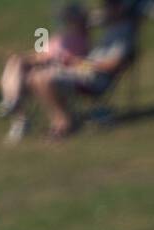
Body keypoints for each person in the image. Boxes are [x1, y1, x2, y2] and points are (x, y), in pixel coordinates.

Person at [18, 0, 139, 139]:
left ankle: (63, 123)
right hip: (83, 72)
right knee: (34, 76)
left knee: (41, 78)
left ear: (120, 9)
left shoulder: (122, 35)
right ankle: (63, 117)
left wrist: (79, 63)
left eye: (108, 7)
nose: (104, 10)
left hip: (93, 79)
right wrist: (74, 63)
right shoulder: (112, 30)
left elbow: (112, 65)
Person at [0, 3, 90, 141]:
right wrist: (24, 57)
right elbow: (41, 54)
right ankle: (13, 104)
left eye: (68, 18)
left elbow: (74, 61)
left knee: (19, 70)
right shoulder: (59, 38)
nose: (65, 21)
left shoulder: (79, 39)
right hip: (44, 66)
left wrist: (38, 59)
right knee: (14, 62)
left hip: (58, 71)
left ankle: (16, 112)